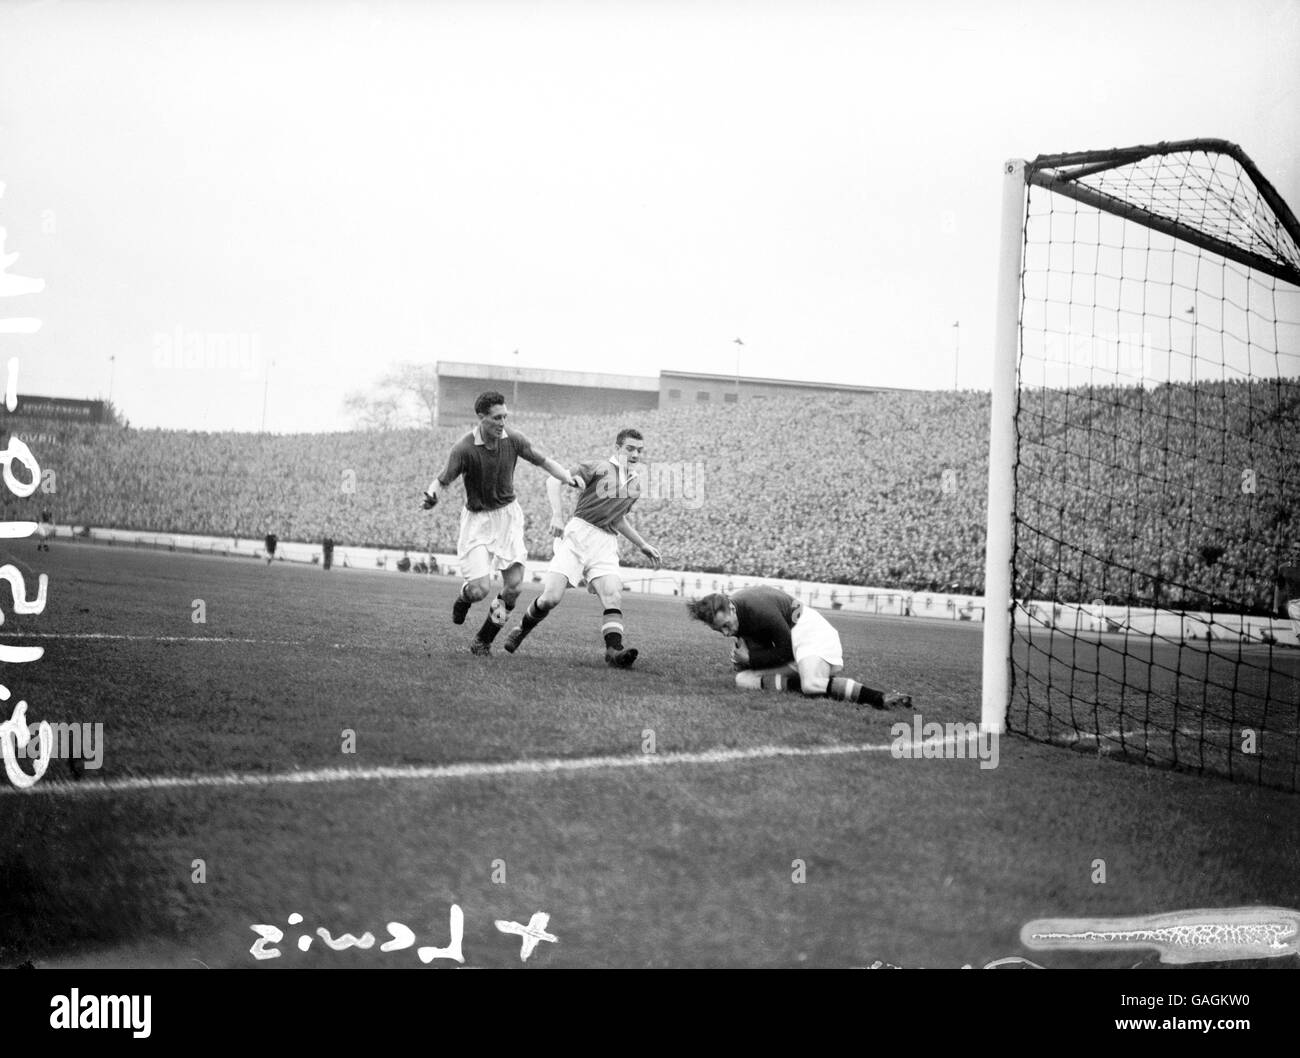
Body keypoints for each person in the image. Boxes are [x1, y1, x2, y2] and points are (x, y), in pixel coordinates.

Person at [421, 390, 581, 655]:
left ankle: (483, 640)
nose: (502, 423)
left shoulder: (513, 439)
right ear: (481, 417)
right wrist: (432, 496)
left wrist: (567, 477)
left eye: (505, 417)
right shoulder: (463, 449)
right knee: (479, 590)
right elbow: (441, 481)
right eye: (496, 418)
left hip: (508, 517)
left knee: (515, 587)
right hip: (478, 521)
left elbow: (542, 460)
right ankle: (464, 596)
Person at [503, 428, 661, 667]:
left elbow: (617, 519)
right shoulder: (596, 467)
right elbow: (553, 480)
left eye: (639, 450)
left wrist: (642, 544)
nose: (635, 454)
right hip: (578, 536)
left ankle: (614, 651)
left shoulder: (635, 485)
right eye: (630, 449)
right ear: (617, 448)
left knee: (612, 594)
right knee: (550, 599)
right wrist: (557, 516)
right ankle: (522, 629)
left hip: (605, 543)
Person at [687, 585, 912, 708]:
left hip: (812, 635)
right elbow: (766, 650)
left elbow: (784, 651)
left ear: (732, 609)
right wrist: (745, 660)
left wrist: (751, 659)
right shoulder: (736, 612)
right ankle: (807, 680)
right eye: (720, 631)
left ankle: (880, 698)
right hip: (795, 647)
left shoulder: (758, 609)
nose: (726, 633)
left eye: (726, 626)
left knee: (812, 685)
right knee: (743, 680)